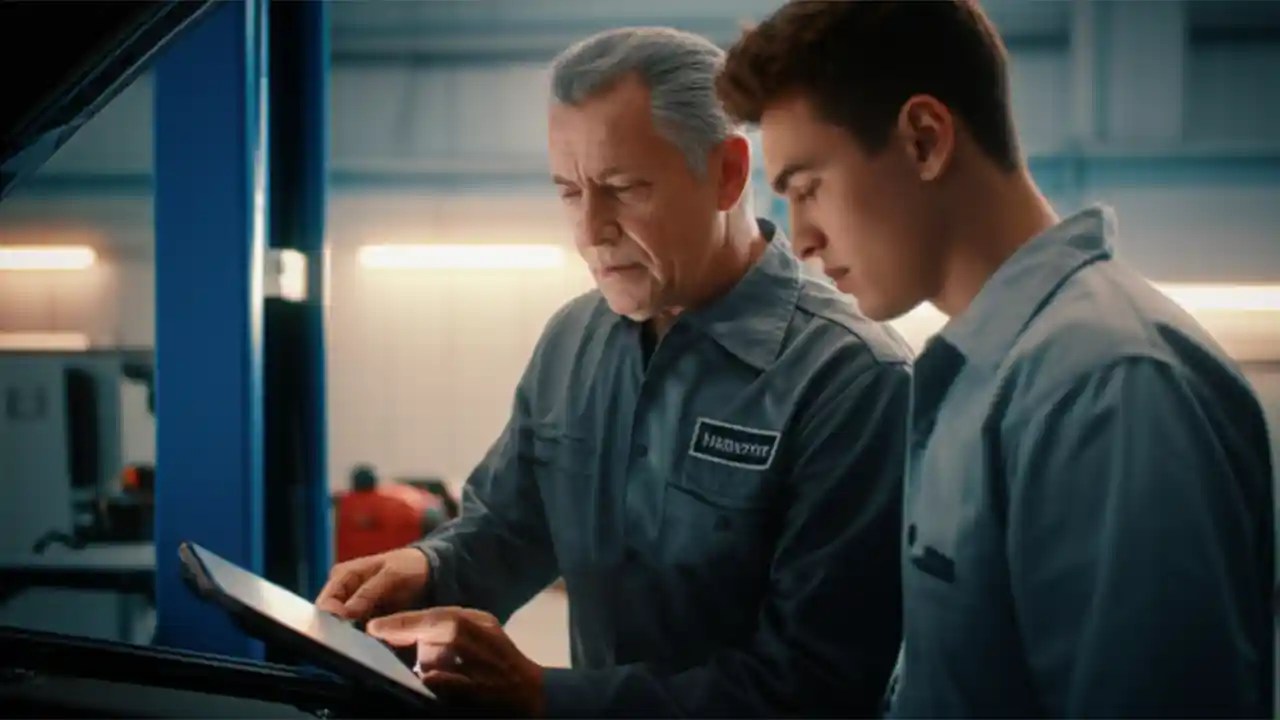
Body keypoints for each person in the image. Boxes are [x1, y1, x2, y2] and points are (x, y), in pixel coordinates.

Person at [315, 27, 913, 718]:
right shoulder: (575, 340)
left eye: (624, 188)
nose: (590, 230)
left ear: (726, 172)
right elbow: (511, 525)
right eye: (569, 192)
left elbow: (815, 688)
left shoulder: (851, 381)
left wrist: (546, 697)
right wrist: (424, 569)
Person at [717, 1, 1276, 717]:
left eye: (806, 187)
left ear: (924, 140)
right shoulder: (981, 377)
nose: (801, 238)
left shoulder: (1106, 386)